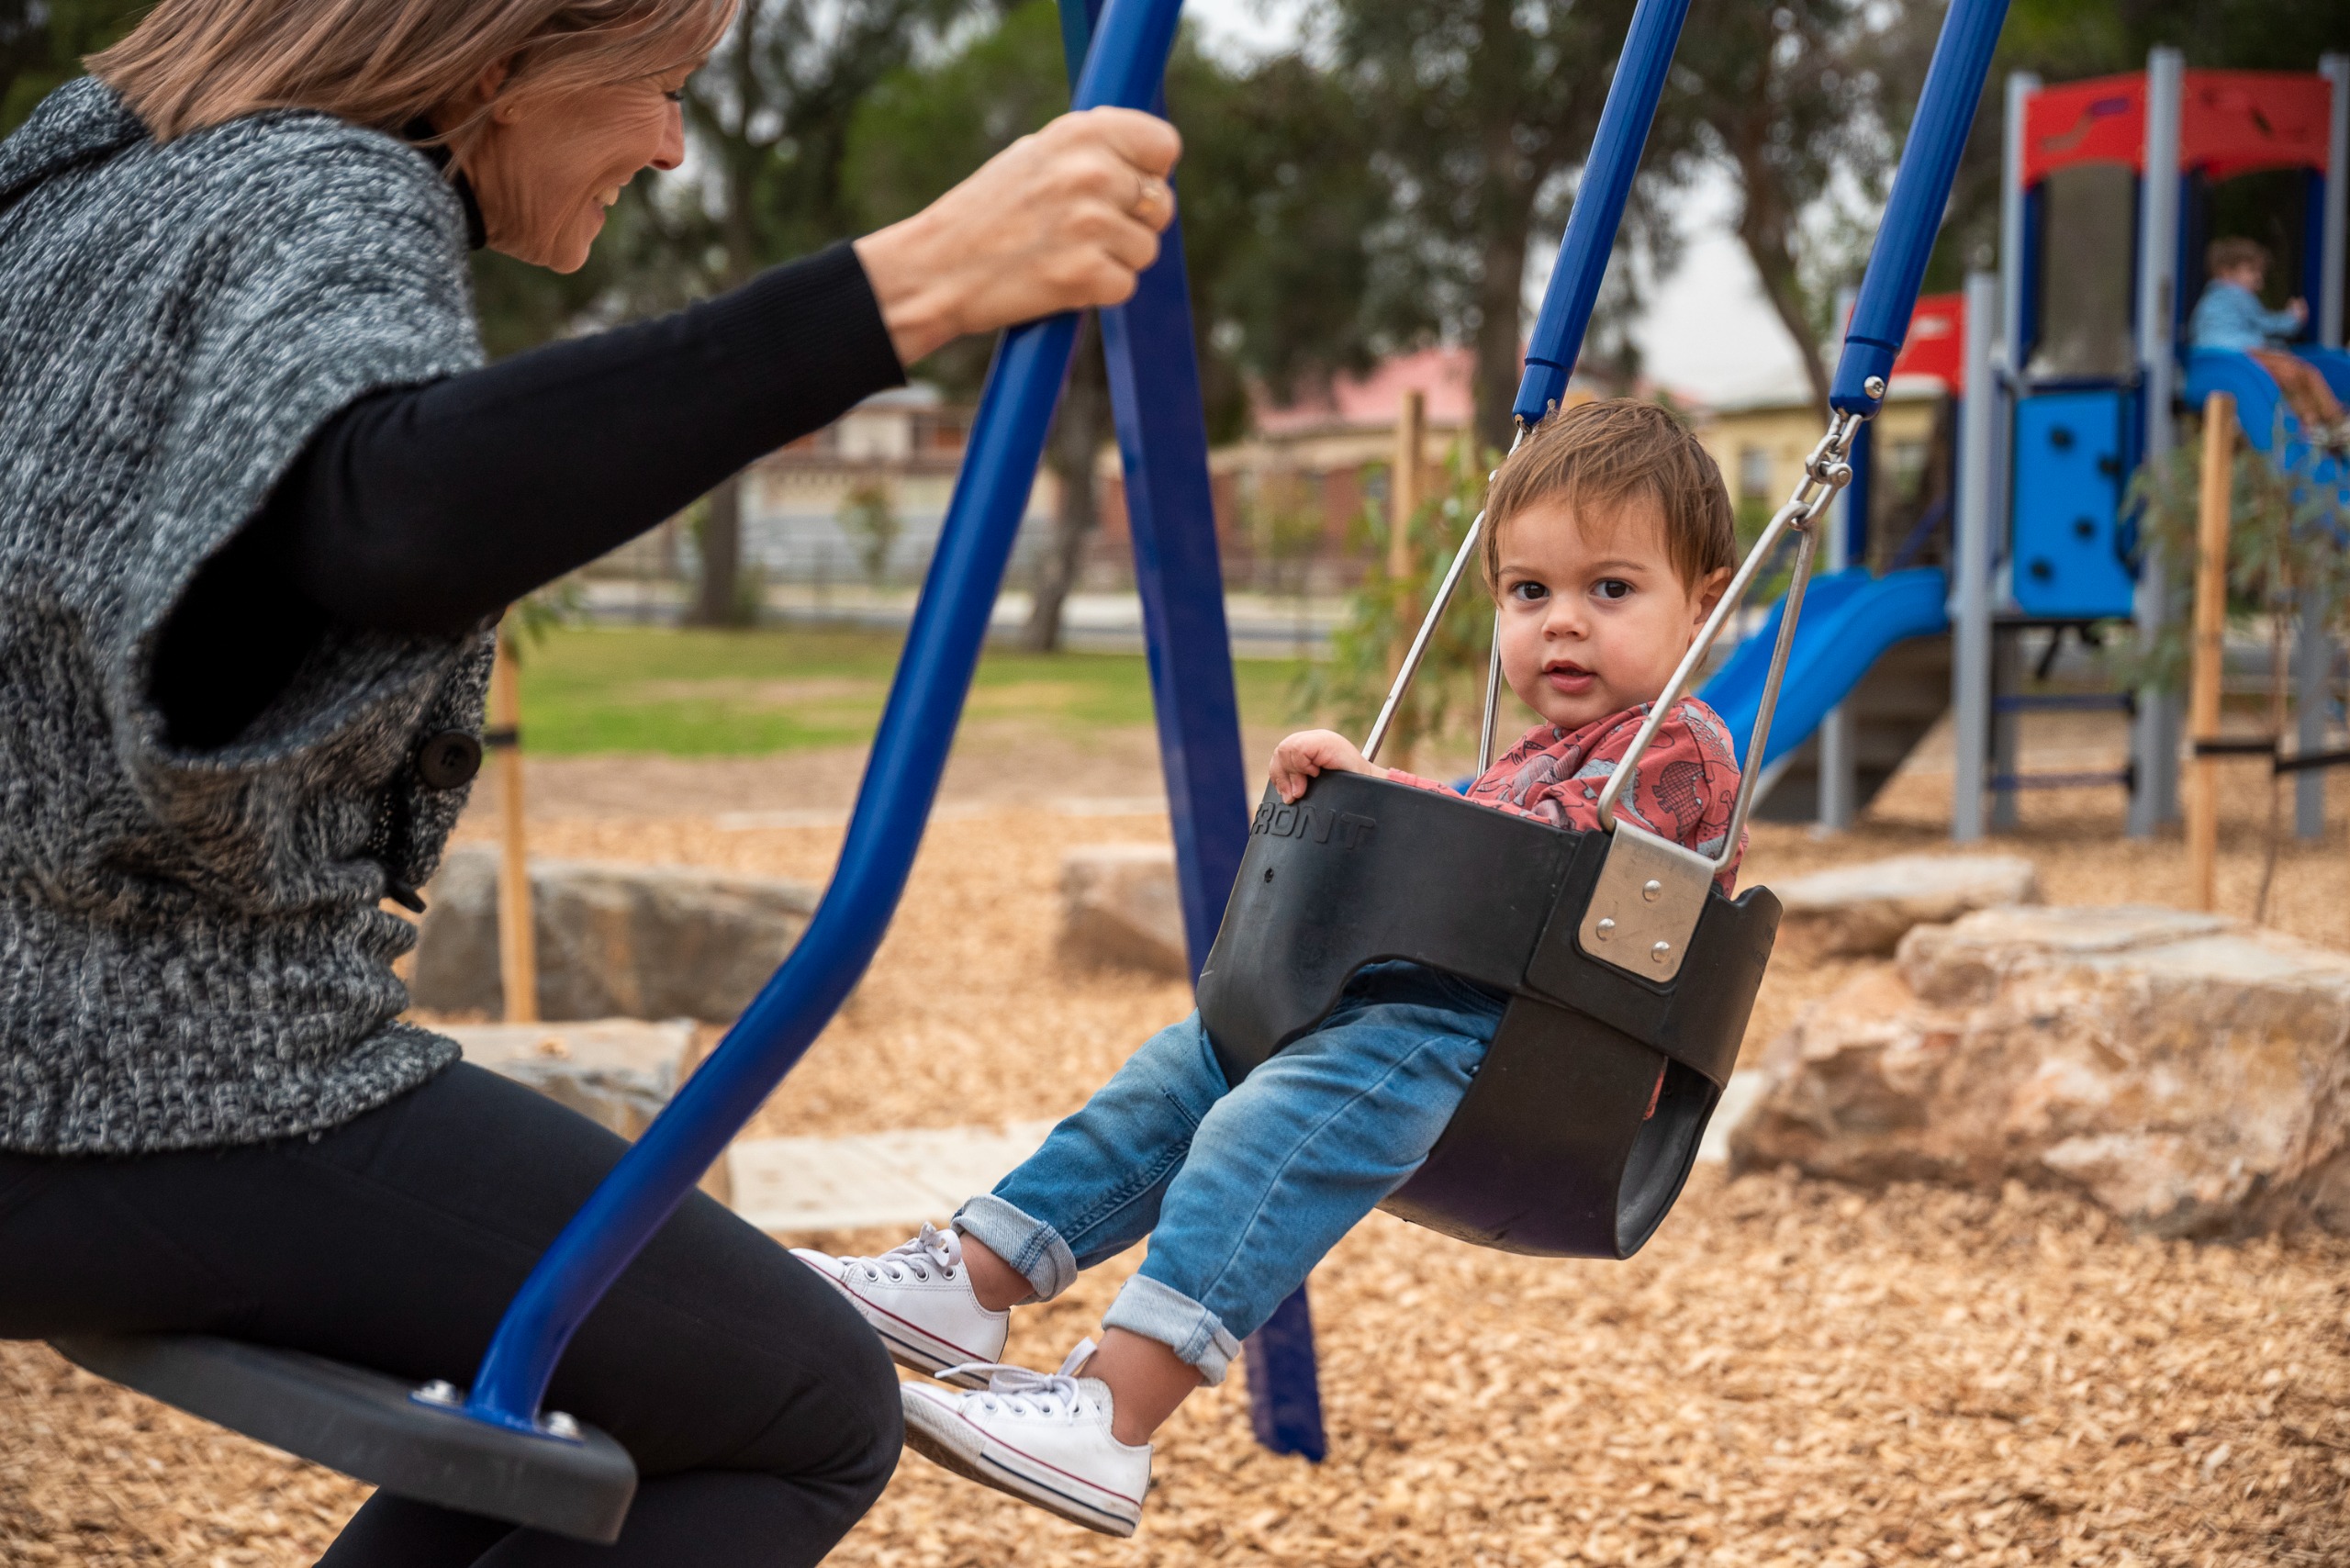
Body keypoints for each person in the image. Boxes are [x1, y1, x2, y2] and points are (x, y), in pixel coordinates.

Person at [0, 0, 1182, 1559]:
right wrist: (921, 282)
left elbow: (241, 578)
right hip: (136, 1089)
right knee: (811, 1402)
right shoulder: (325, 183)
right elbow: (395, 506)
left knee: (608, 1363)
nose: (671, 144)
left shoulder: (84, 190)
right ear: (500, 66)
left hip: (70, 1057)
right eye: (662, 88)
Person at [794, 399, 1746, 1538]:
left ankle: (1112, 1419)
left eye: (1611, 589)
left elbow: (1553, 847)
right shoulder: (1540, 746)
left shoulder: (1682, 743)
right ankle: (975, 1279)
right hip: (1417, 1021)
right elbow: (1473, 829)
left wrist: (1405, 804)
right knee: (1185, 1070)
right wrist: (1369, 786)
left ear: (1707, 601)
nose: (1562, 627)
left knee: (1262, 1126)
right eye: (1529, 592)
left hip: (1531, 1065)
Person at [2188, 236, 2349, 449]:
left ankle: (2312, 424)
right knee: (2299, 372)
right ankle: (2333, 420)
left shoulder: (2211, 299)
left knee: (2292, 375)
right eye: (2252, 271)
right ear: (2227, 272)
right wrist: (2293, 318)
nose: (2259, 279)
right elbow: (2266, 324)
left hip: (2215, 360)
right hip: (2239, 355)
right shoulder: (2235, 295)